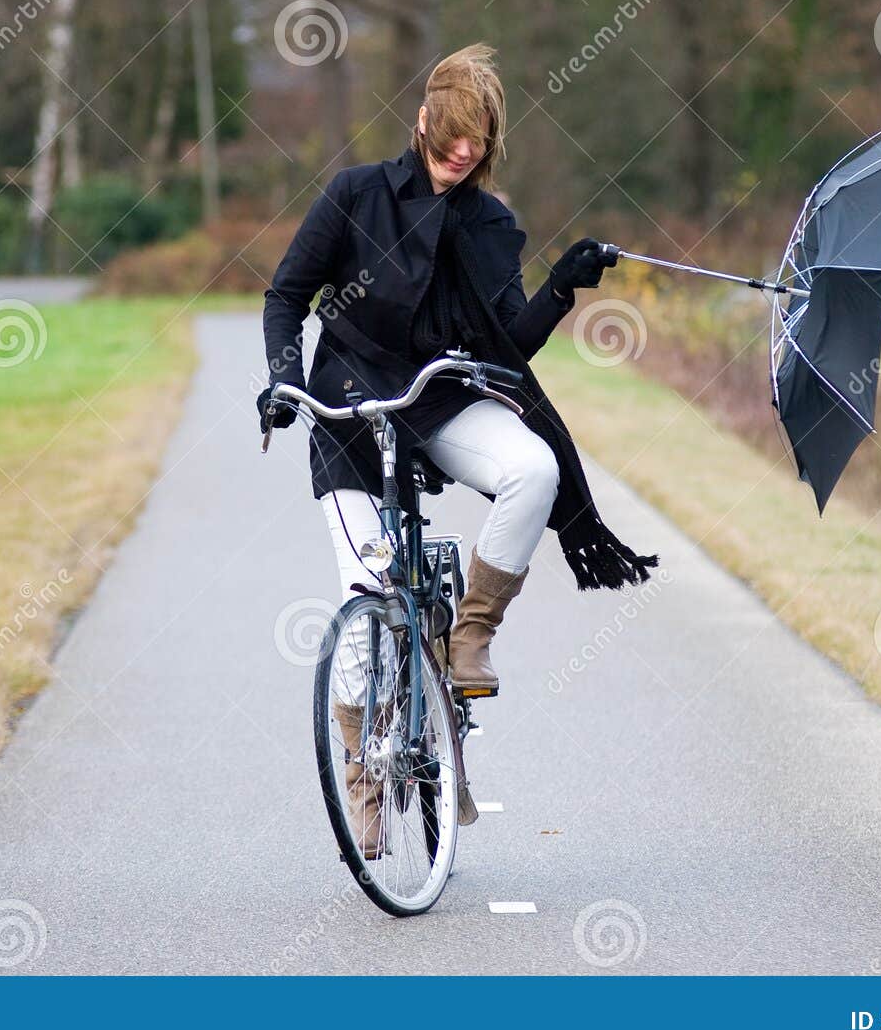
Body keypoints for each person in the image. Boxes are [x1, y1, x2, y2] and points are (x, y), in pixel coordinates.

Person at [259, 43, 658, 852]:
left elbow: (509, 344)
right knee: (365, 606)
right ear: (421, 123)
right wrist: (281, 380)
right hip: (349, 413)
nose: (460, 156)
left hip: (439, 401)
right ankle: (364, 773)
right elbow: (286, 295)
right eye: (448, 141)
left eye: (475, 145)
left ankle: (467, 632)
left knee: (533, 468)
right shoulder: (356, 195)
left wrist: (562, 286)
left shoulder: (489, 222)